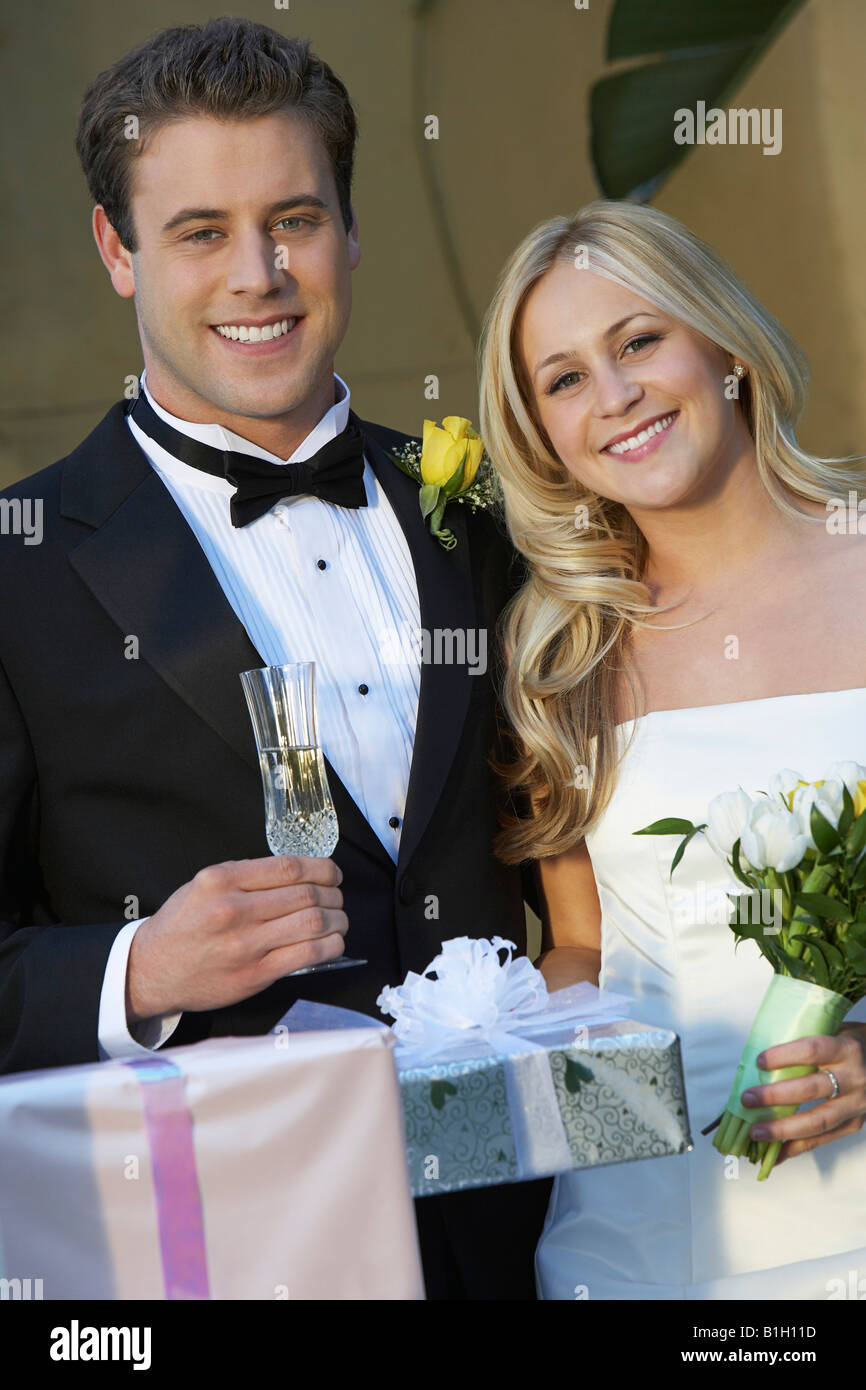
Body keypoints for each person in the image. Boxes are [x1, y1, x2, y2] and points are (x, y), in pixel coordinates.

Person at [0, 17, 551, 1300]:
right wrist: (136, 970)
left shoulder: (489, 516)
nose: (258, 274)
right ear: (116, 250)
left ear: (348, 230)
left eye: (293, 219)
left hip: (537, 1239)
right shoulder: (16, 568)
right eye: (200, 232)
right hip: (214, 1258)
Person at [478, 198, 866, 1298]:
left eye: (638, 340)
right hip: (643, 1237)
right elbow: (579, 953)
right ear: (542, 429)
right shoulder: (553, 655)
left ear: (722, 345)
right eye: (561, 380)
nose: (615, 398)